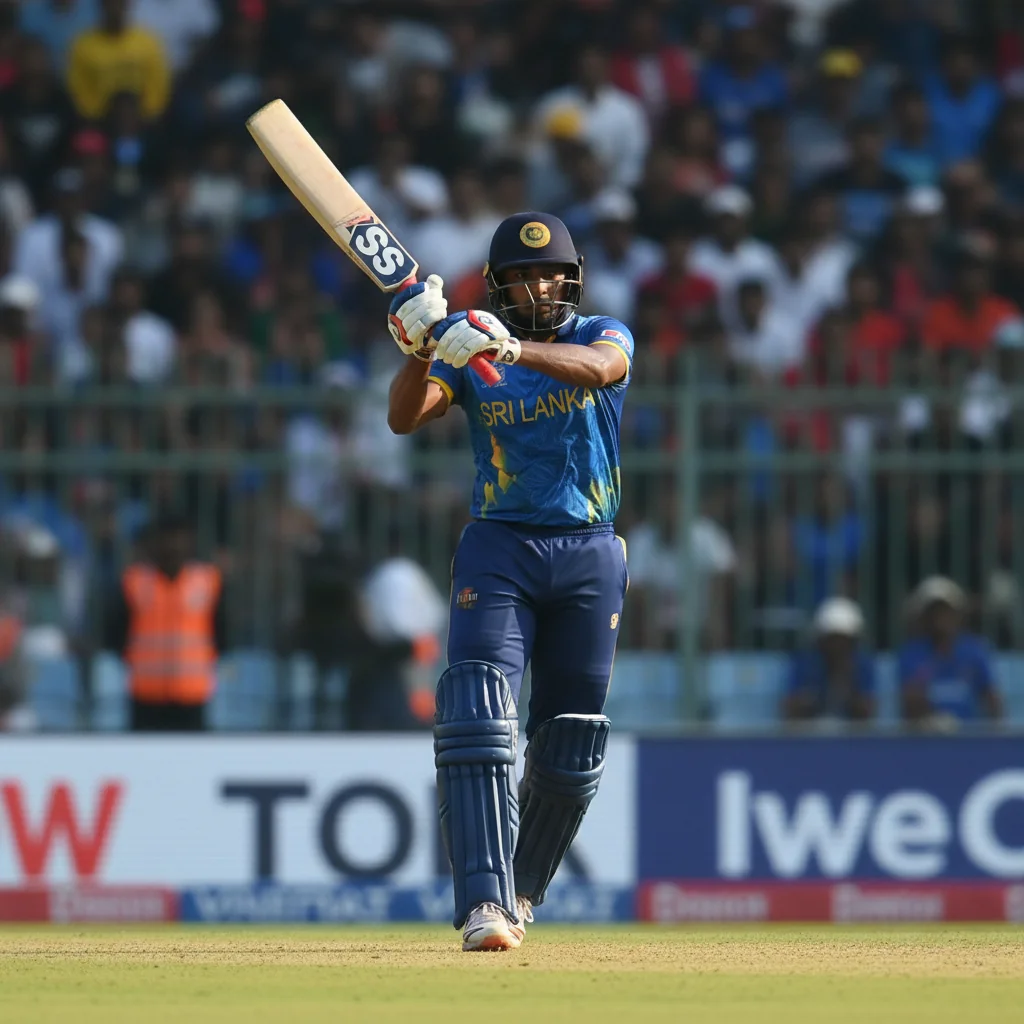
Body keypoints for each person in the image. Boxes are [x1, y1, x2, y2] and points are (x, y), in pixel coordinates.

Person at [386, 212, 631, 951]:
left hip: (588, 550)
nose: (537, 284)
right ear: (499, 283)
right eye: (521, 276)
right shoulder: (468, 353)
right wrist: (418, 349)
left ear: (571, 278)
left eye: (549, 272)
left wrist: (513, 346)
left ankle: (522, 893)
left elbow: (603, 373)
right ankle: (483, 905)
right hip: (501, 547)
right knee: (476, 708)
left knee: (571, 738)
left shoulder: (600, 332)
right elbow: (404, 418)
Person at [104, 513, 225, 731]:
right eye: (167, 539)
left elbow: (223, 632)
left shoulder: (207, 581)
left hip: (192, 695)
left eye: (179, 539)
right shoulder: (135, 582)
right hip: (146, 696)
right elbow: (115, 633)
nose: (173, 546)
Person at [898, 576, 1002, 728]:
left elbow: (992, 700)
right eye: (934, 611)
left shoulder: (975, 651)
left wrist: (994, 740)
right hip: (925, 739)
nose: (940, 618)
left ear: (957, 614)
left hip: (970, 740)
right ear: (924, 616)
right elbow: (909, 706)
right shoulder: (911, 655)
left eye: (945, 610)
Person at [782, 597, 876, 723]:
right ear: (821, 640)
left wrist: (846, 682)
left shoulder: (862, 665)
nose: (838, 646)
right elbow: (790, 709)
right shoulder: (806, 663)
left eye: (844, 640)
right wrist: (811, 700)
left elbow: (867, 712)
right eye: (833, 639)